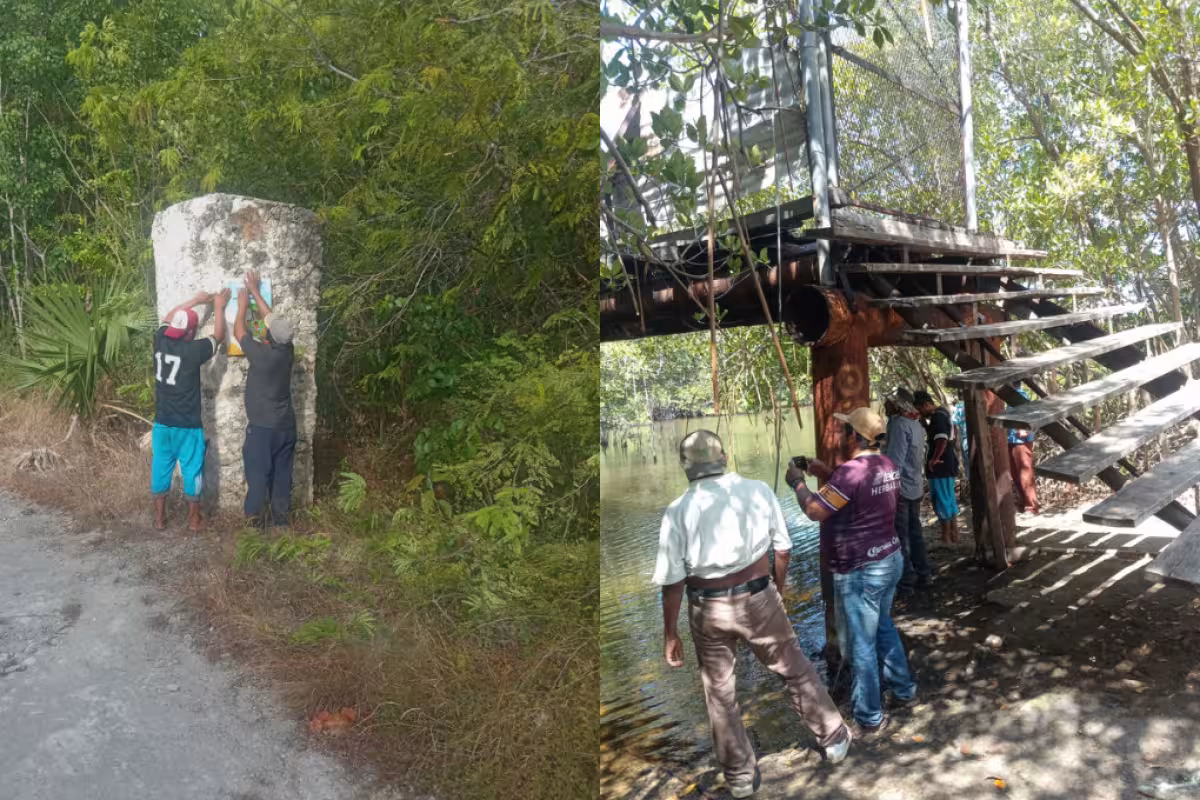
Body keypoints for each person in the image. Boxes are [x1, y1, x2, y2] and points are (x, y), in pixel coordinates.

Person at [654, 430, 851, 798]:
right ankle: (834, 737)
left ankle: (740, 776)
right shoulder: (757, 490)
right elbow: (783, 549)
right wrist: (776, 589)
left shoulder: (677, 509)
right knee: (793, 669)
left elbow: (672, 582)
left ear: (685, 467)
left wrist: (670, 633)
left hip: (705, 608)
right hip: (757, 597)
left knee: (720, 693)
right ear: (725, 457)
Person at [786, 407, 917, 737]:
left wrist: (799, 483)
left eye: (845, 430)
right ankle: (904, 690)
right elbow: (857, 497)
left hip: (862, 569)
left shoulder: (851, 472)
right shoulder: (886, 465)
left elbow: (816, 510)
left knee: (861, 645)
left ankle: (870, 716)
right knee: (884, 626)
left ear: (853, 436)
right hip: (889, 557)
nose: (841, 435)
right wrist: (824, 471)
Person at [151, 288, 230, 531]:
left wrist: (195, 301)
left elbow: (168, 317)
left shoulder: (160, 340)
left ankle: (159, 519)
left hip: (162, 423)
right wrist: (218, 306)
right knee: (192, 469)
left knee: (160, 467)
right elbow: (217, 337)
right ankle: (194, 520)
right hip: (187, 426)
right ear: (192, 333)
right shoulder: (192, 352)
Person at [234, 269, 297, 531]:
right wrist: (256, 290)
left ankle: (253, 524)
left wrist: (240, 306)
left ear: (268, 337)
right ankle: (281, 523)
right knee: (282, 475)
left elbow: (239, 331)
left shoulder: (263, 355)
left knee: (258, 476)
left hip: (263, 429)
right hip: (286, 427)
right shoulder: (288, 350)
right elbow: (270, 318)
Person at [883, 388, 931, 592]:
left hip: (901, 489)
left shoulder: (902, 425)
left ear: (899, 405)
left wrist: (888, 491)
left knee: (901, 535)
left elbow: (895, 463)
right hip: (916, 486)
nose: (886, 405)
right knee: (915, 531)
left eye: (890, 402)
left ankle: (907, 579)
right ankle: (923, 573)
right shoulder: (916, 424)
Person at [914, 390, 960, 545]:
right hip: (948, 462)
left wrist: (934, 460)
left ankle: (946, 536)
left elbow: (941, 441)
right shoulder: (941, 413)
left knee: (941, 499)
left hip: (941, 465)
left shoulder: (938, 416)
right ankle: (954, 534)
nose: (920, 413)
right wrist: (924, 424)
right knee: (949, 498)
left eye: (920, 409)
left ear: (925, 405)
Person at [1008, 389, 1040, 515]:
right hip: (1011, 438)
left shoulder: (1020, 394)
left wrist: (1024, 430)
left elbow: (1028, 413)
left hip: (1020, 438)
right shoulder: (1006, 396)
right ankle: (1022, 503)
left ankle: (1031, 507)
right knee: (1015, 473)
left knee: (1024, 472)